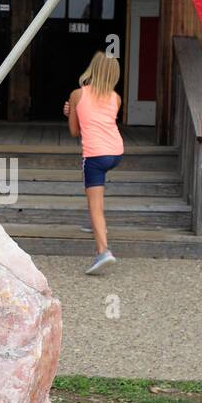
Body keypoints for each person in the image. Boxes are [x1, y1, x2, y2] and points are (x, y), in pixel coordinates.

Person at [64, 51, 124, 274]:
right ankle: (97, 225)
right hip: (116, 152)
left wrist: (70, 112)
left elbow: (74, 131)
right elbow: (100, 120)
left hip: (95, 155)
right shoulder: (116, 97)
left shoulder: (77, 94)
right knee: (96, 203)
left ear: (93, 69)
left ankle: (103, 252)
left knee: (94, 206)